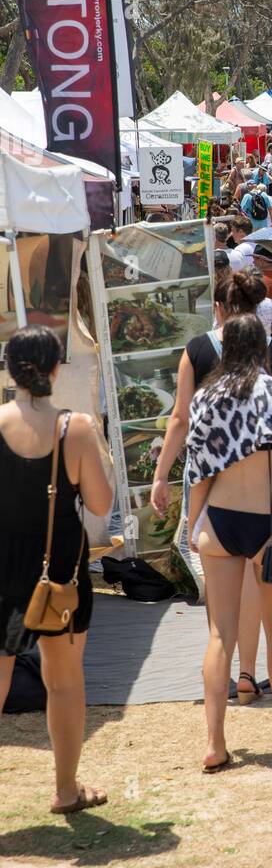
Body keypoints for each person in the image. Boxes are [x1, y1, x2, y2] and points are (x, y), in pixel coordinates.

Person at [152, 268, 272, 695]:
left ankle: (227, 671)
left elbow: (179, 418)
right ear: (258, 309)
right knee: (259, 585)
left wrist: (161, 476)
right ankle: (250, 673)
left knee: (220, 590)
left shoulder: (196, 350)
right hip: (266, 490)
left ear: (217, 307)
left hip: (209, 480)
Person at [187, 316, 272, 771]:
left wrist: (191, 523)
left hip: (218, 520)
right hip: (269, 524)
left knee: (220, 634)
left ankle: (215, 742)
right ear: (263, 350)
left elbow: (198, 473)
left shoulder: (207, 397)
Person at [0, 327, 114, 813]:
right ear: (54, 370)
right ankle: (66, 790)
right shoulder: (77, 428)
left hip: (2, 565)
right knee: (64, 680)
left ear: (9, 370)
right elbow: (100, 504)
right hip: (59, 568)